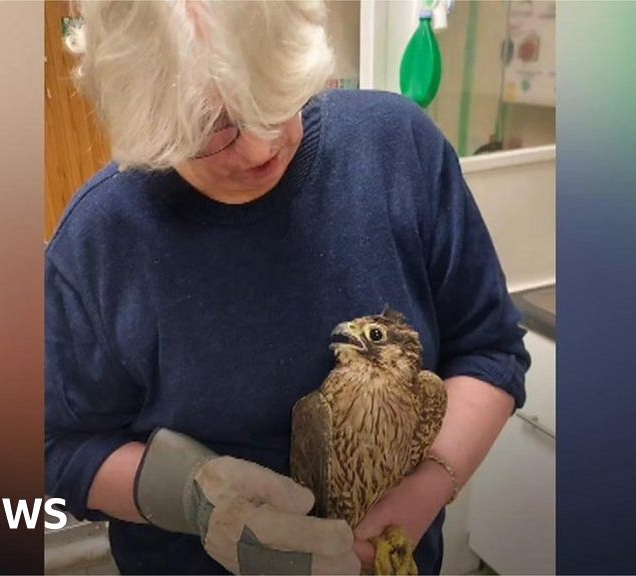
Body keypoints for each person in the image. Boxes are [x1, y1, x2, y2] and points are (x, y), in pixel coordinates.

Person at [45, 1, 530, 574]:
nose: (260, 148)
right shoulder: (98, 241)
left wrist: (422, 492)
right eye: (211, 128)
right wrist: (194, 500)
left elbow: (490, 350)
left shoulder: (400, 151)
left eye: (275, 98)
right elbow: (60, 447)